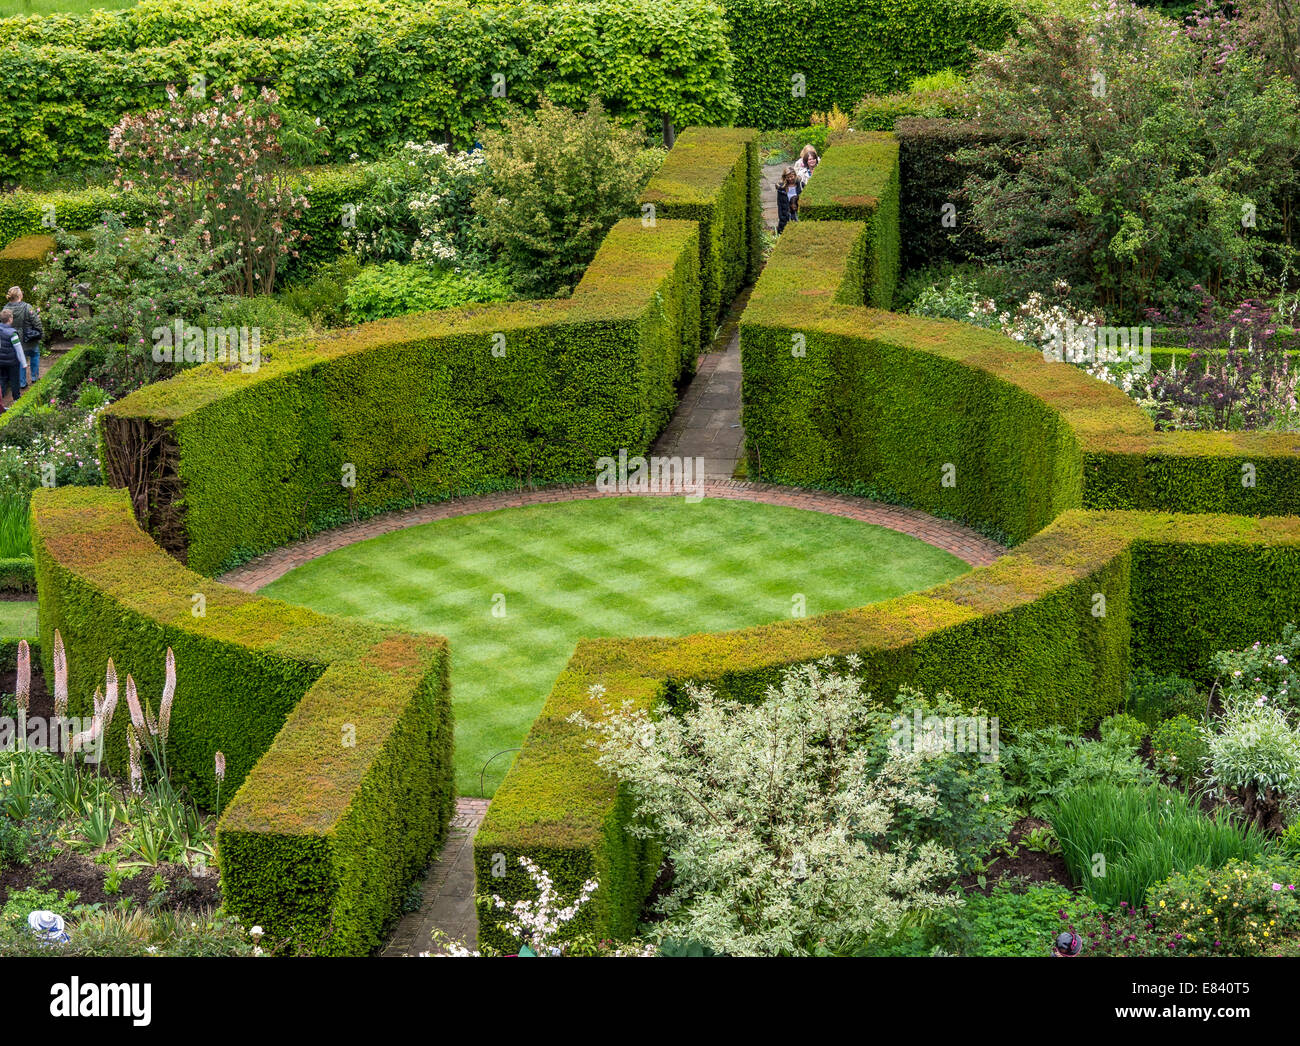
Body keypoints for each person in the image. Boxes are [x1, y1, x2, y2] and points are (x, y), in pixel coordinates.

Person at [6, 287, 41, 388]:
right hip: (29, 337)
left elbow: (4, 326)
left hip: (15, 339)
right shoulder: (27, 307)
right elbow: (36, 322)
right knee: (34, 355)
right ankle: (34, 377)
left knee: (21, 359)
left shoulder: (6, 309)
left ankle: (22, 383)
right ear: (20, 295)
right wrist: (39, 333)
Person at [0, 308, 27, 407]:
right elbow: (19, 350)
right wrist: (24, 363)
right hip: (12, 363)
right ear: (10, 319)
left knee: (2, 380)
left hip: (1, 362)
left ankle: (0, 401)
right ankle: (16, 400)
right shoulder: (13, 333)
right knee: (14, 381)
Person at [776, 167, 801, 233]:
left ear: (795, 175)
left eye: (791, 176)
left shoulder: (801, 185)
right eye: (788, 177)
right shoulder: (781, 188)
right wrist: (781, 217)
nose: (790, 179)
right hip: (786, 214)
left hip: (797, 213)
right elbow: (780, 204)